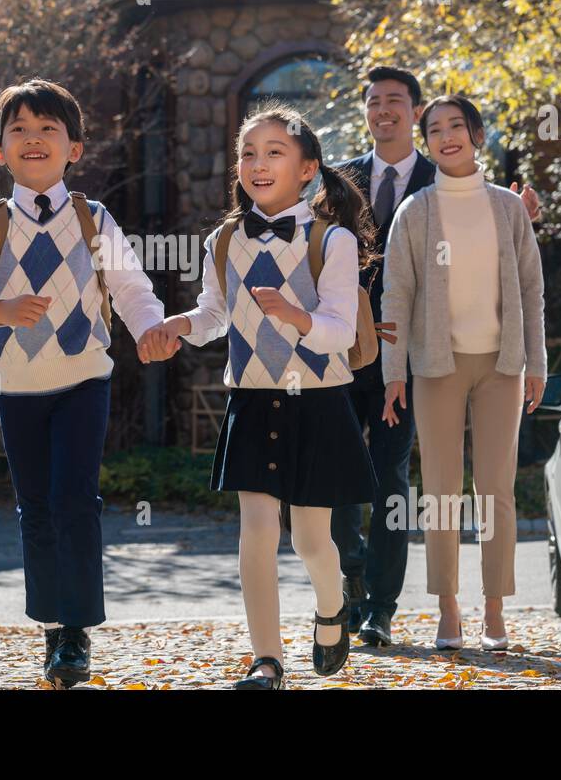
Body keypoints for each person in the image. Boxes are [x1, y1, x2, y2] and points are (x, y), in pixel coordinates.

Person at [143, 103, 379, 688]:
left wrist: (297, 316)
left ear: (308, 169)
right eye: (248, 153)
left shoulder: (335, 240)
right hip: (251, 396)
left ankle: (332, 610)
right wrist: (178, 326)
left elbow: (339, 333)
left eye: (274, 151)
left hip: (318, 401)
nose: (257, 163)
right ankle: (266, 660)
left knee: (311, 538)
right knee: (256, 528)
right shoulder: (225, 240)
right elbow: (214, 315)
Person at [0, 78, 172, 687]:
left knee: (76, 500)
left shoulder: (94, 221)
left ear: (74, 147)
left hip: (82, 382)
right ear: (0, 151)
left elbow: (130, 289)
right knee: (36, 508)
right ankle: (50, 626)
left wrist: (151, 329)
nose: (33, 139)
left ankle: (75, 632)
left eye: (48, 129)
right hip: (17, 388)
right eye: (18, 130)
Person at [331, 66, 541, 646]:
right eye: (374, 102)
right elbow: (332, 258)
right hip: (355, 351)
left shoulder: (469, 190)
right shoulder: (342, 181)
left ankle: (384, 607)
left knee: (406, 479)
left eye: (395, 101)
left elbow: (519, 276)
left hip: (441, 356)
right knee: (348, 478)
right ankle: (360, 581)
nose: (384, 111)